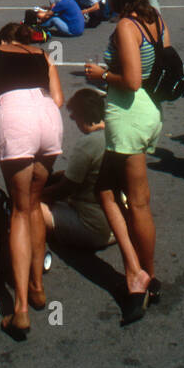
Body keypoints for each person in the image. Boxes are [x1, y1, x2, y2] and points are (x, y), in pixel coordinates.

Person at [0, 22, 63, 339]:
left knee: (20, 211)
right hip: (48, 118)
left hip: (17, 122)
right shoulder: (42, 56)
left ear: (5, 39)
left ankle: (19, 308)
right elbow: (58, 99)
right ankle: (37, 287)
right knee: (34, 205)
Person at [84, 0, 167, 324]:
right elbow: (157, 67)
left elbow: (131, 79)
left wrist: (100, 73)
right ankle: (142, 271)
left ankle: (140, 274)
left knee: (136, 202)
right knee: (107, 191)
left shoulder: (124, 26)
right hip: (150, 111)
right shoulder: (156, 21)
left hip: (127, 115)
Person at [41, 88, 114, 250]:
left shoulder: (88, 144)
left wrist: (36, 196)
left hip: (93, 228)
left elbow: (64, 189)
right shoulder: (114, 135)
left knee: (31, 208)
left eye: (74, 117)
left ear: (81, 117)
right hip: (116, 224)